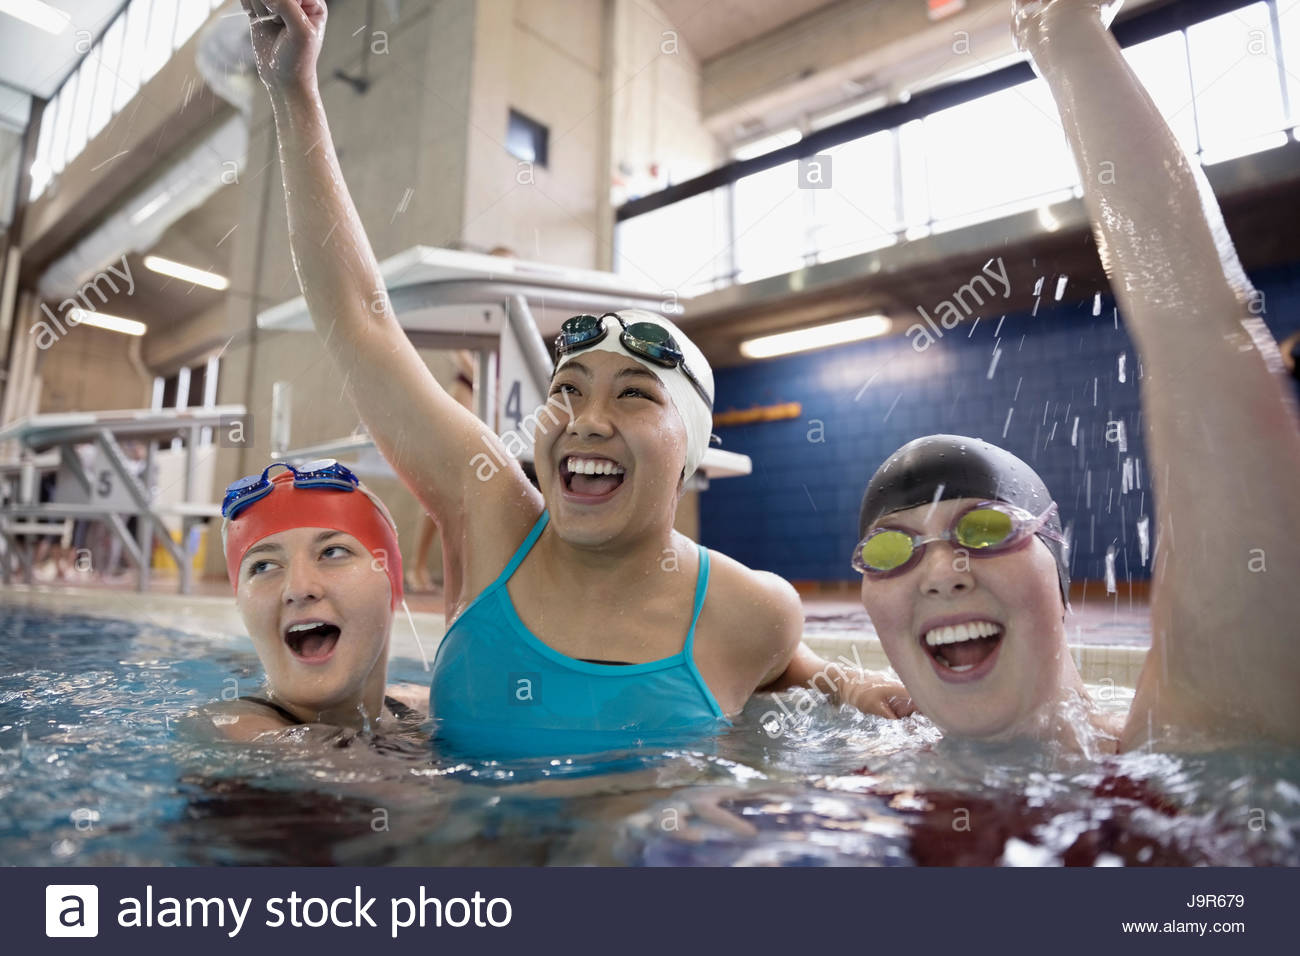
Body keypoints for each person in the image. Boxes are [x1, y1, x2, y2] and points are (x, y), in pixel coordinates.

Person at [240, 0, 907, 758]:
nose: (586, 419)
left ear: (689, 451)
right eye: (567, 390)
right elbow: (359, 320)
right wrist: (293, 91)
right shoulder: (491, 517)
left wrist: (841, 683)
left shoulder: (750, 607)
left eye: (633, 394)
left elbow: (782, 663)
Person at [850, 0, 1300, 753]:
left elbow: (1202, 335)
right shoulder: (847, 779)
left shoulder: (1188, 733)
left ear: (1059, 580)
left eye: (986, 530)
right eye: (893, 549)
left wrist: (1064, 34)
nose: (943, 571)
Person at [195, 460, 424, 740]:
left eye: (332, 552)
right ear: (240, 602)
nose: (299, 588)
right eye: (264, 566)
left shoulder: (423, 705)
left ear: (393, 582)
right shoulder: (236, 733)